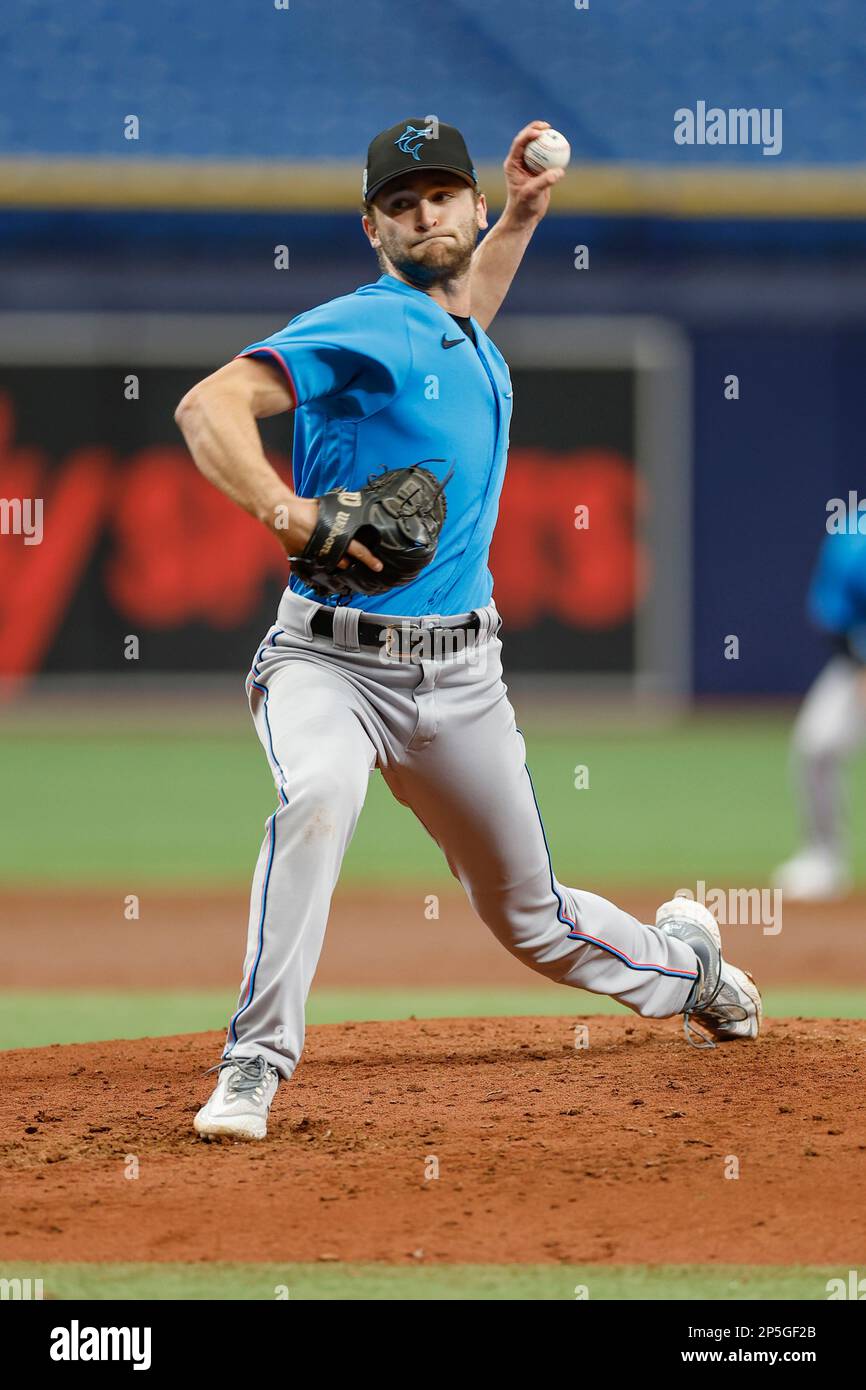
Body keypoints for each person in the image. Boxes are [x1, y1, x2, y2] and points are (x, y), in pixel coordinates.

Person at [175, 118, 761, 1142]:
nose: (423, 213)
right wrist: (295, 515)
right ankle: (252, 1064)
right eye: (400, 202)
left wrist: (526, 218)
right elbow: (207, 407)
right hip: (329, 660)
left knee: (531, 919)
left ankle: (692, 968)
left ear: (472, 206)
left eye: (442, 194)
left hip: (460, 680)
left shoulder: (459, 333)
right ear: (372, 227)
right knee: (316, 798)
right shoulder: (363, 324)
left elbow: (464, 307)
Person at [773, 528, 866, 900]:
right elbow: (833, 615)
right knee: (817, 746)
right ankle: (823, 858)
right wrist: (860, 667)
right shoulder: (854, 538)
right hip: (856, 666)